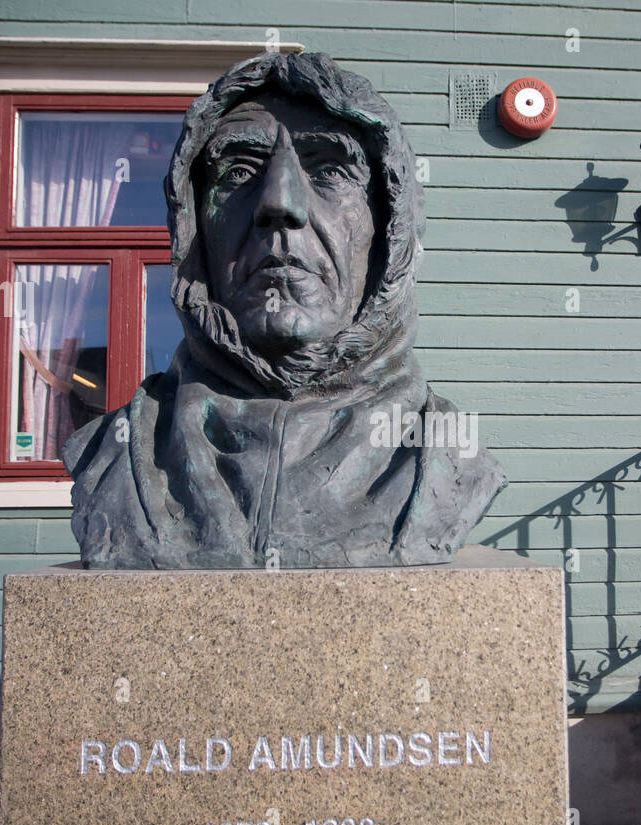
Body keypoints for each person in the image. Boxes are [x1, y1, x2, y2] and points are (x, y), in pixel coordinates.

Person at [63, 52, 506, 569]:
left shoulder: (449, 458)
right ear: (194, 231)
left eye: (330, 168)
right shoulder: (116, 455)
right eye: (239, 170)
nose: (279, 203)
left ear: (390, 229)